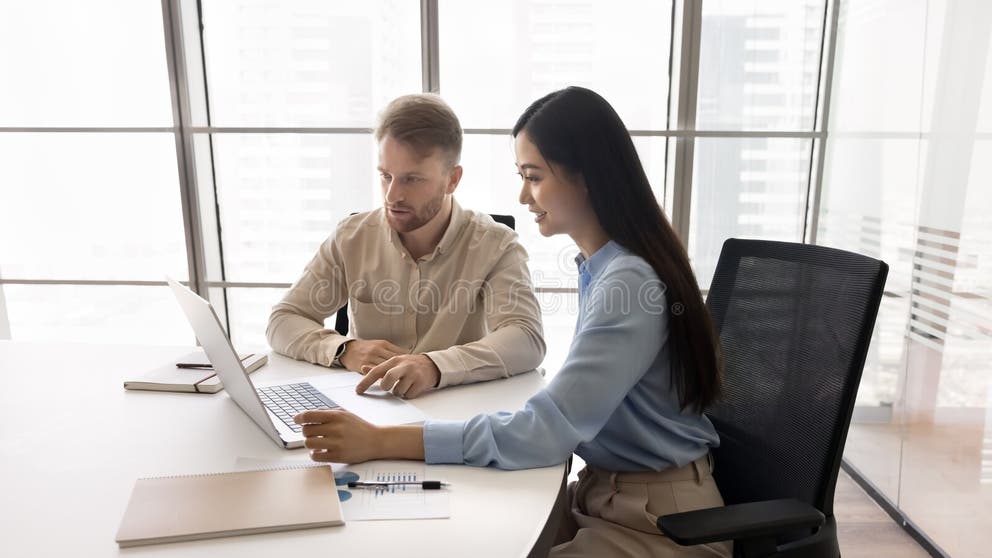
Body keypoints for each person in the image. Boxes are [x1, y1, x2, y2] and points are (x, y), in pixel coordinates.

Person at [294, 86, 731, 557]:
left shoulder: (628, 280)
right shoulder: (603, 266)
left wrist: (382, 441)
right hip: (604, 497)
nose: (523, 195)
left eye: (534, 176)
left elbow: (546, 431)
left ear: (586, 177)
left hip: (659, 524)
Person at [267, 93, 545, 399]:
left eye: (411, 179)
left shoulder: (496, 245)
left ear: (452, 180)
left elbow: (527, 339)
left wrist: (433, 366)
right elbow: (283, 320)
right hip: (367, 410)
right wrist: (345, 349)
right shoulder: (352, 237)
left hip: (456, 417)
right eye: (386, 176)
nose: (392, 196)